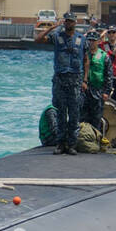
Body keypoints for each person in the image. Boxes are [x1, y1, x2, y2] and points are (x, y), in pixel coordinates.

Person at [36, 12, 88, 155]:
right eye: (67, 21)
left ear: (75, 23)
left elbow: (86, 60)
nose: (68, 23)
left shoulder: (82, 39)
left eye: (71, 21)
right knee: (60, 112)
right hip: (60, 79)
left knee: (74, 113)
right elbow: (38, 39)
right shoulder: (57, 36)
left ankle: (71, 144)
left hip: (75, 80)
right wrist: (52, 27)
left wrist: (85, 80)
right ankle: (60, 143)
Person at [82, 30, 114, 136]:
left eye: (93, 40)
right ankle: (83, 139)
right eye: (89, 40)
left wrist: (107, 91)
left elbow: (109, 75)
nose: (91, 42)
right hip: (84, 89)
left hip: (98, 89)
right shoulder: (82, 54)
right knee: (82, 116)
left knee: (96, 117)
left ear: (98, 41)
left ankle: (96, 139)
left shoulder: (104, 56)